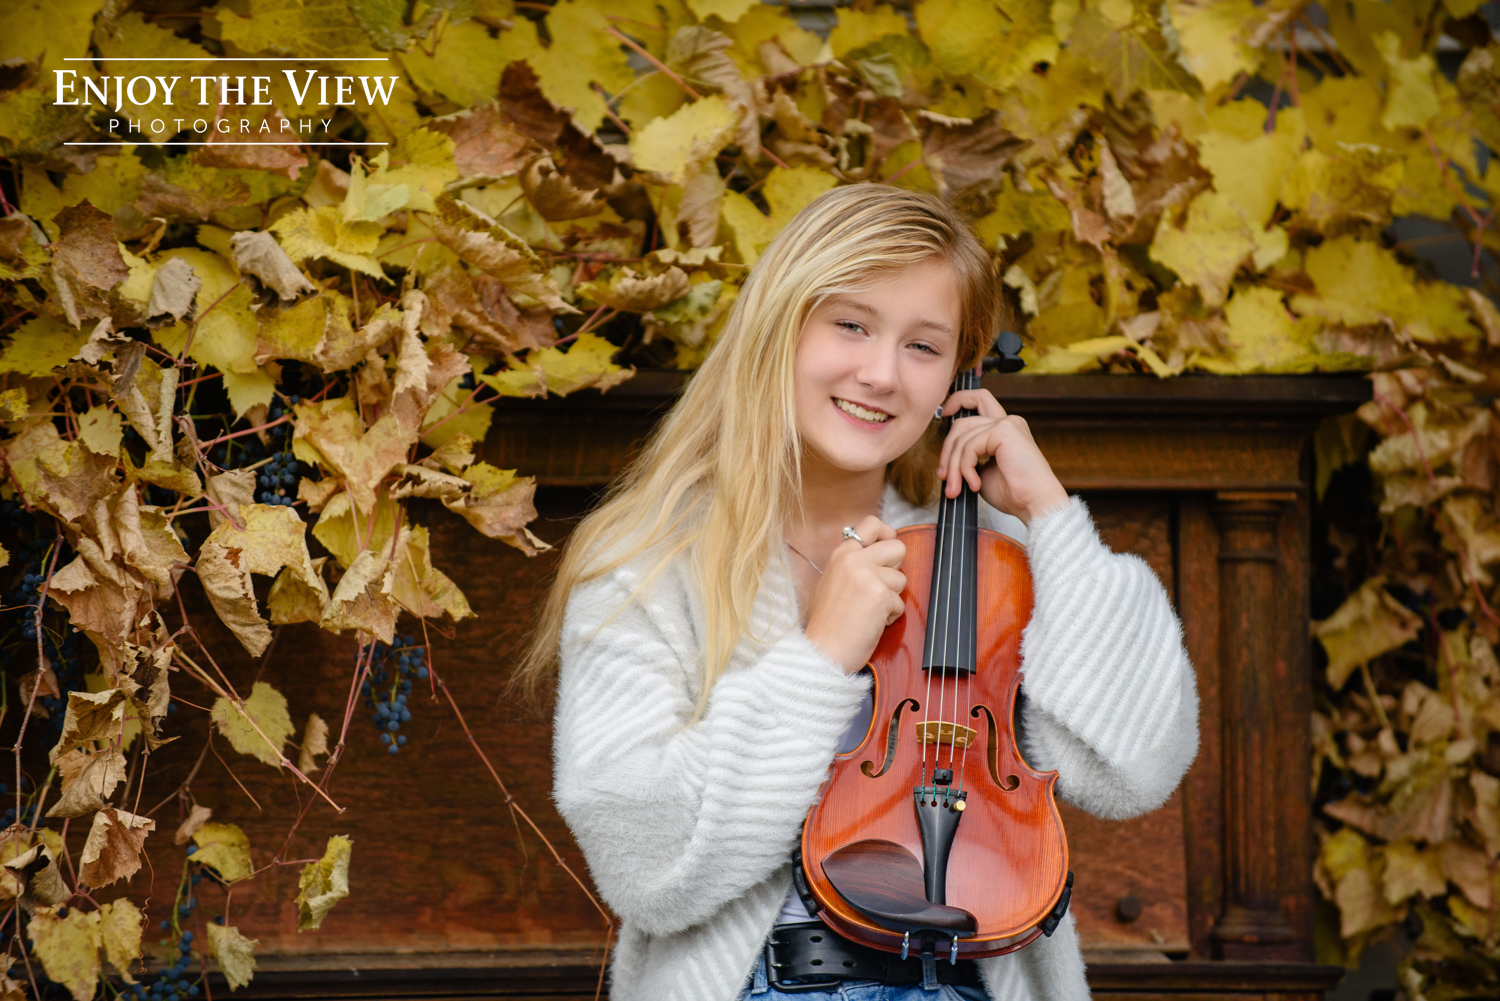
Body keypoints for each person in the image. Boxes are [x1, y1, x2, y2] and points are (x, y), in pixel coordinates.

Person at [517, 184, 1199, 1001]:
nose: (881, 374)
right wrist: (818, 659)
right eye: (851, 324)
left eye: (923, 346)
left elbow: (1134, 769)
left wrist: (1051, 517)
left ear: (959, 373)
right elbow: (644, 863)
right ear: (782, 327)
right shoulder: (648, 565)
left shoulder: (988, 564)